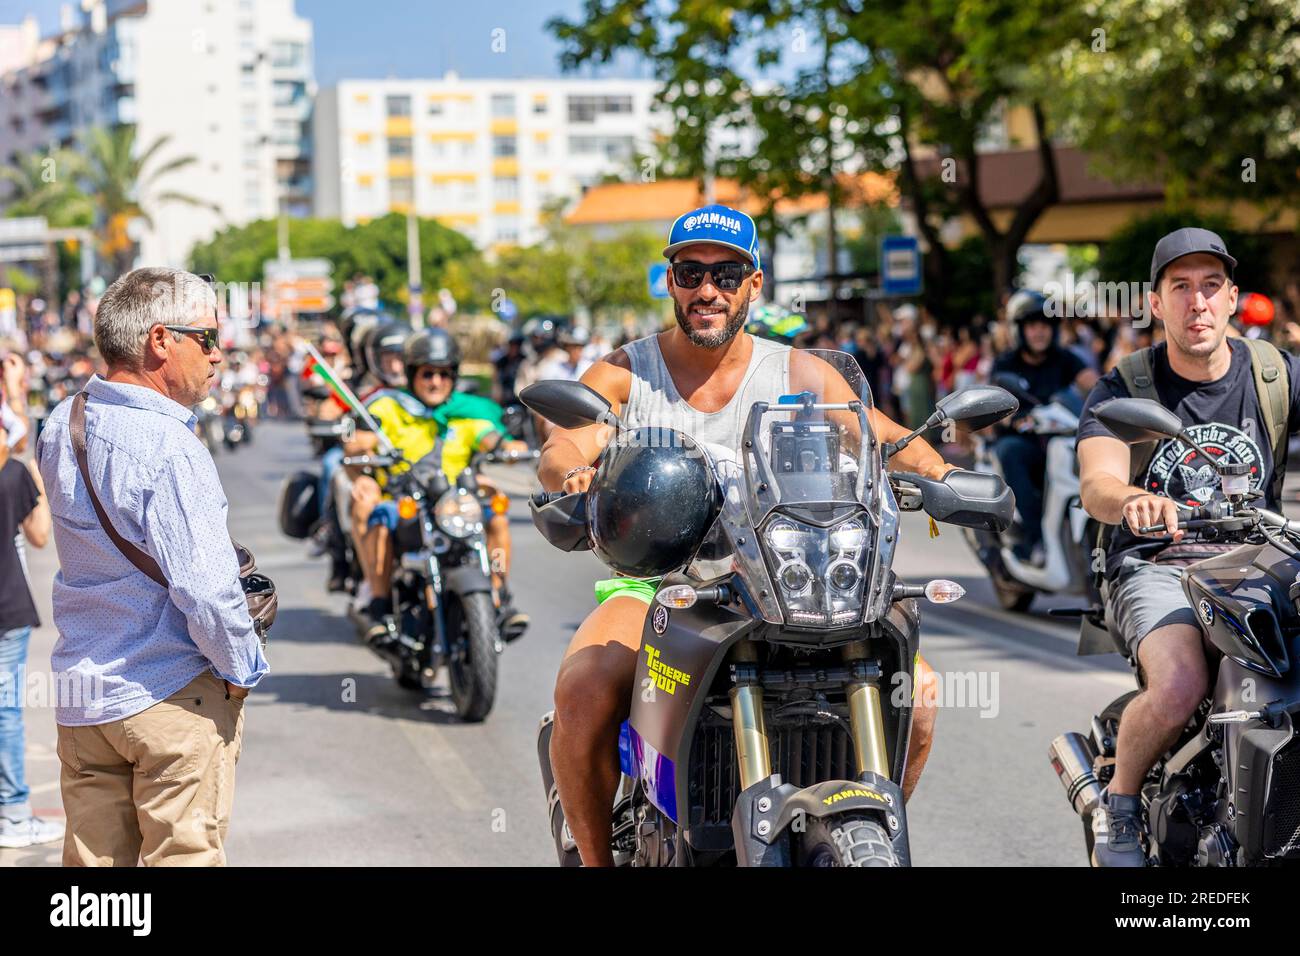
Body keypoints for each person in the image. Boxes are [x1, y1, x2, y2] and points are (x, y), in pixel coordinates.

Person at [538, 203, 956, 866]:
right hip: (658, 585)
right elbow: (568, 441)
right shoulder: (626, 370)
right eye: (691, 272)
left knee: (921, 691)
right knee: (586, 686)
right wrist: (575, 476)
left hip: (793, 587)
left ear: (754, 285)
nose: (709, 289)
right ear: (669, 281)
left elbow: (883, 437)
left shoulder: (797, 372)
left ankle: (860, 828)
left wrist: (941, 474)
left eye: (726, 273)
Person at [1077, 227, 1300, 867]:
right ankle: (1118, 808)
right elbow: (1097, 481)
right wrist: (1130, 501)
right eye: (1181, 288)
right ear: (1156, 304)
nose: (1196, 303)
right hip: (1158, 565)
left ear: (1232, 299)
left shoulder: (1273, 375)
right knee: (1179, 684)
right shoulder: (1126, 387)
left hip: (1258, 562)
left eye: (1210, 287)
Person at [36, 267, 267, 866]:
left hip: (84, 696)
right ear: (161, 341)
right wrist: (241, 670)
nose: (219, 355)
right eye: (208, 338)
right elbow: (209, 593)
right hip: (168, 696)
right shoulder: (169, 447)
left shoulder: (64, 421)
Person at [343, 327, 530, 642]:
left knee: (497, 513)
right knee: (371, 509)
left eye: (444, 374)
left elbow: (494, 440)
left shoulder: (467, 414)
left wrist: (511, 449)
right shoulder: (388, 408)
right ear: (413, 373)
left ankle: (499, 598)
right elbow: (356, 445)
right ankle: (379, 603)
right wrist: (363, 454)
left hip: (455, 504)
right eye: (428, 373)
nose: (435, 382)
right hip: (405, 502)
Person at [991, 290, 1098, 563]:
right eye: (1032, 326)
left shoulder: (1064, 358)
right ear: (1020, 330)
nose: (1039, 332)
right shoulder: (1006, 363)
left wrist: (1111, 396)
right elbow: (992, 400)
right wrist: (1012, 418)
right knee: (1009, 451)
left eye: (1045, 325)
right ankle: (1034, 537)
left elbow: (1093, 384)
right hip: (1024, 442)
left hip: (1060, 438)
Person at [0, 417, 60, 848]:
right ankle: (15, 815)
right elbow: (39, 533)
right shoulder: (12, 472)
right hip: (6, 607)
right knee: (5, 713)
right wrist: (29, 462)